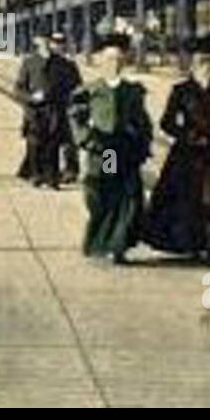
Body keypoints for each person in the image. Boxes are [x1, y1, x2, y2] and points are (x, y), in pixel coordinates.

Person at [141, 38, 210, 263]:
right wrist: (186, 135)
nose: (205, 65)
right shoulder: (181, 91)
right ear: (192, 64)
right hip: (187, 154)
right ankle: (191, 244)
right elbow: (166, 123)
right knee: (187, 200)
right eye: (200, 61)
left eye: (209, 61)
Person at [69, 34, 153, 264]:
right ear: (100, 62)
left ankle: (119, 245)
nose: (113, 64)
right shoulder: (91, 90)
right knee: (105, 191)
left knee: (129, 196)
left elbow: (143, 121)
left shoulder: (133, 90)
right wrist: (86, 139)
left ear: (123, 62)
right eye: (108, 59)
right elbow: (76, 118)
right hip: (106, 150)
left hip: (126, 149)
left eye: (117, 59)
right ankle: (102, 241)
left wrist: (144, 144)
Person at [15, 34, 61, 188]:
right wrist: (31, 97)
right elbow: (18, 88)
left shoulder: (61, 63)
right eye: (42, 39)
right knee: (34, 144)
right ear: (36, 41)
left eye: (48, 39)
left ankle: (52, 177)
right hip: (34, 111)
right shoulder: (29, 63)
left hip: (54, 109)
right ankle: (36, 175)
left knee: (53, 144)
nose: (46, 43)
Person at [47, 32, 82, 183]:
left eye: (61, 43)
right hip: (51, 106)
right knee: (50, 139)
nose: (59, 46)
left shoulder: (70, 64)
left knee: (69, 141)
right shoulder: (46, 62)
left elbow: (78, 85)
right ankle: (48, 171)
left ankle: (71, 170)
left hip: (67, 106)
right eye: (56, 43)